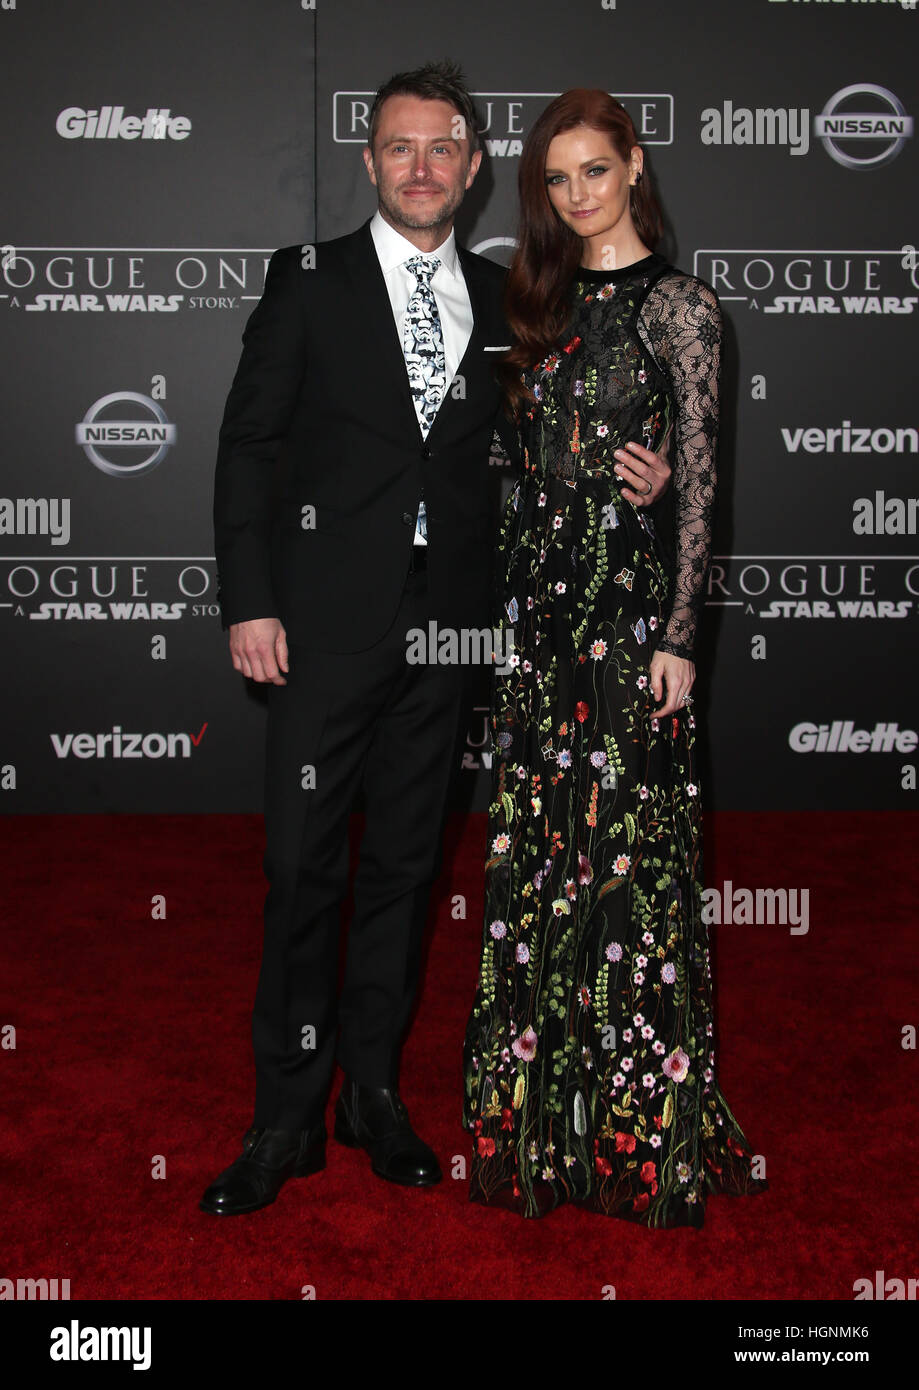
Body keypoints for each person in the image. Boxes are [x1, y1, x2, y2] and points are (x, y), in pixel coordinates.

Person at [202, 63, 671, 1217]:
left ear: (469, 169)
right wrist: (249, 600)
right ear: (369, 163)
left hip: (455, 630)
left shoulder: (508, 293)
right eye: (398, 148)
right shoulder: (306, 282)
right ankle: (281, 1116)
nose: (420, 167)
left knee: (407, 871)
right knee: (302, 865)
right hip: (319, 628)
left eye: (441, 149)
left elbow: (560, 445)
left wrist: (645, 481)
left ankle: (370, 1094)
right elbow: (249, 450)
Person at [462, 89, 768, 1227]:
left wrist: (683, 638)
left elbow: (700, 489)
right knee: (544, 863)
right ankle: (544, 1126)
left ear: (634, 166)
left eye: (595, 170)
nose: (576, 195)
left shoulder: (681, 308)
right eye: (556, 178)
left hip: (630, 621)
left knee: (628, 874)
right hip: (543, 625)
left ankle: (635, 1137)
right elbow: (515, 463)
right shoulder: (532, 300)